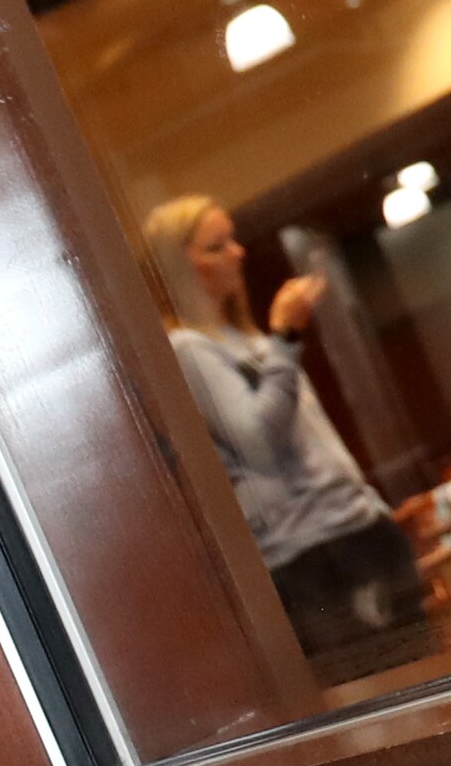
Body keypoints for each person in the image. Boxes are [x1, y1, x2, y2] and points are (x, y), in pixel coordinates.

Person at [135, 194, 425, 663]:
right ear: (181, 269)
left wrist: (371, 505)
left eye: (232, 240)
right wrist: (286, 338)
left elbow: (311, 439)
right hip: (311, 557)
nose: (238, 253)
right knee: (382, 693)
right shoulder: (189, 349)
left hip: (358, 527)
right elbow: (257, 444)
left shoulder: (246, 339)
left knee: (427, 669)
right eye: (217, 246)